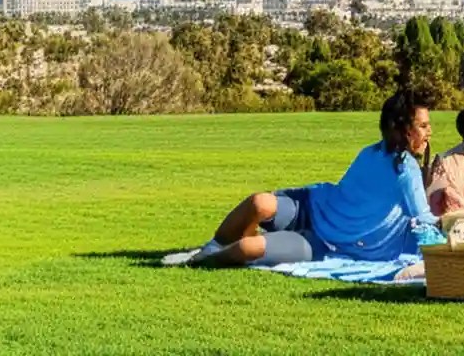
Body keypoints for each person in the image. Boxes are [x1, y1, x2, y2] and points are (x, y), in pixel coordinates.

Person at [163, 91, 438, 267]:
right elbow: (424, 218)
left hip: (328, 245)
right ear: (402, 128)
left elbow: (423, 220)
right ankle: (213, 246)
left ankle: (201, 261)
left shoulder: (405, 169)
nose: (429, 132)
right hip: (314, 208)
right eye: (423, 126)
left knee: (249, 247)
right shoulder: (375, 154)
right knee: (259, 203)